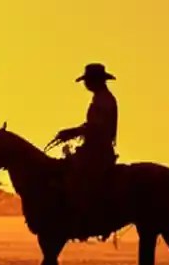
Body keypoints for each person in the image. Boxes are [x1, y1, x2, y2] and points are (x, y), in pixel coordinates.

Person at [49, 63, 119, 238]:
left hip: (98, 151)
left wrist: (73, 132)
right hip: (95, 148)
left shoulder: (104, 100)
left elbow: (97, 128)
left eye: (88, 81)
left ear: (95, 81)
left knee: (74, 178)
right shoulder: (101, 98)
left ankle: (83, 220)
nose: (86, 84)